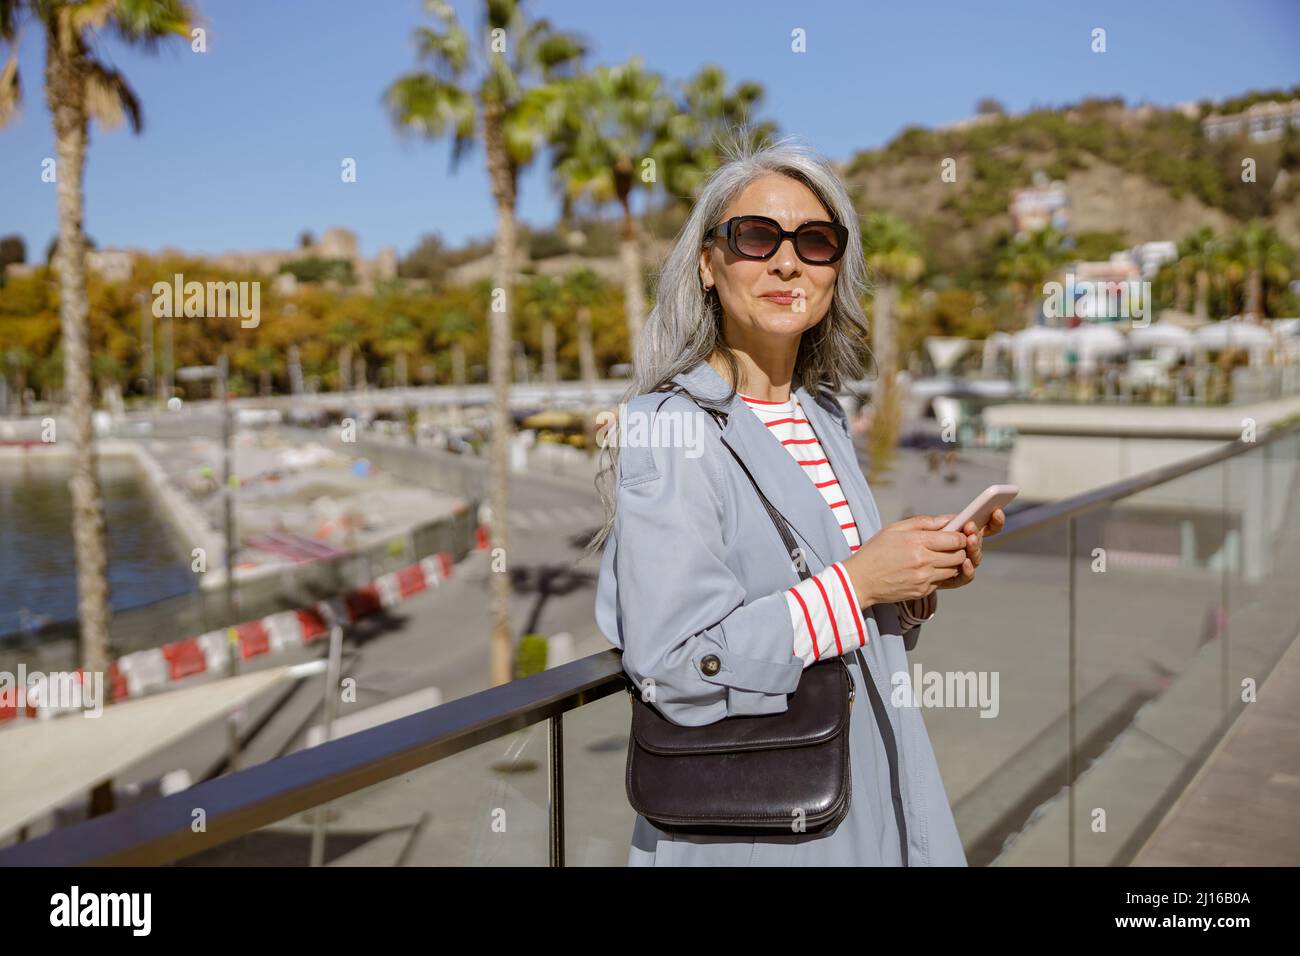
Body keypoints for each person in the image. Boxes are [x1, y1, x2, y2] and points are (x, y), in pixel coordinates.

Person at [588, 138, 1004, 866]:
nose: (788, 261)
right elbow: (675, 663)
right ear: (709, 266)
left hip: (869, 783)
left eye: (815, 241)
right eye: (756, 237)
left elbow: (839, 614)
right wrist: (861, 582)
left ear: (836, 269)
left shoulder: (823, 416)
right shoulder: (668, 428)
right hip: (759, 825)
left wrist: (911, 582)